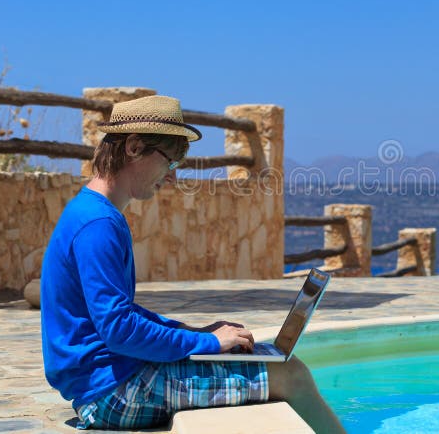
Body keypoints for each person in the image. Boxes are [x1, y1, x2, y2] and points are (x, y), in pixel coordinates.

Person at [40, 95, 344, 432]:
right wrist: (210, 344)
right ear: (135, 147)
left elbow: (120, 315)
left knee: (260, 360)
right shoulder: (98, 225)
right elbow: (119, 329)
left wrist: (195, 333)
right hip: (113, 392)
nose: (172, 177)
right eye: (170, 162)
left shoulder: (93, 213)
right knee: (292, 375)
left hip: (109, 381)